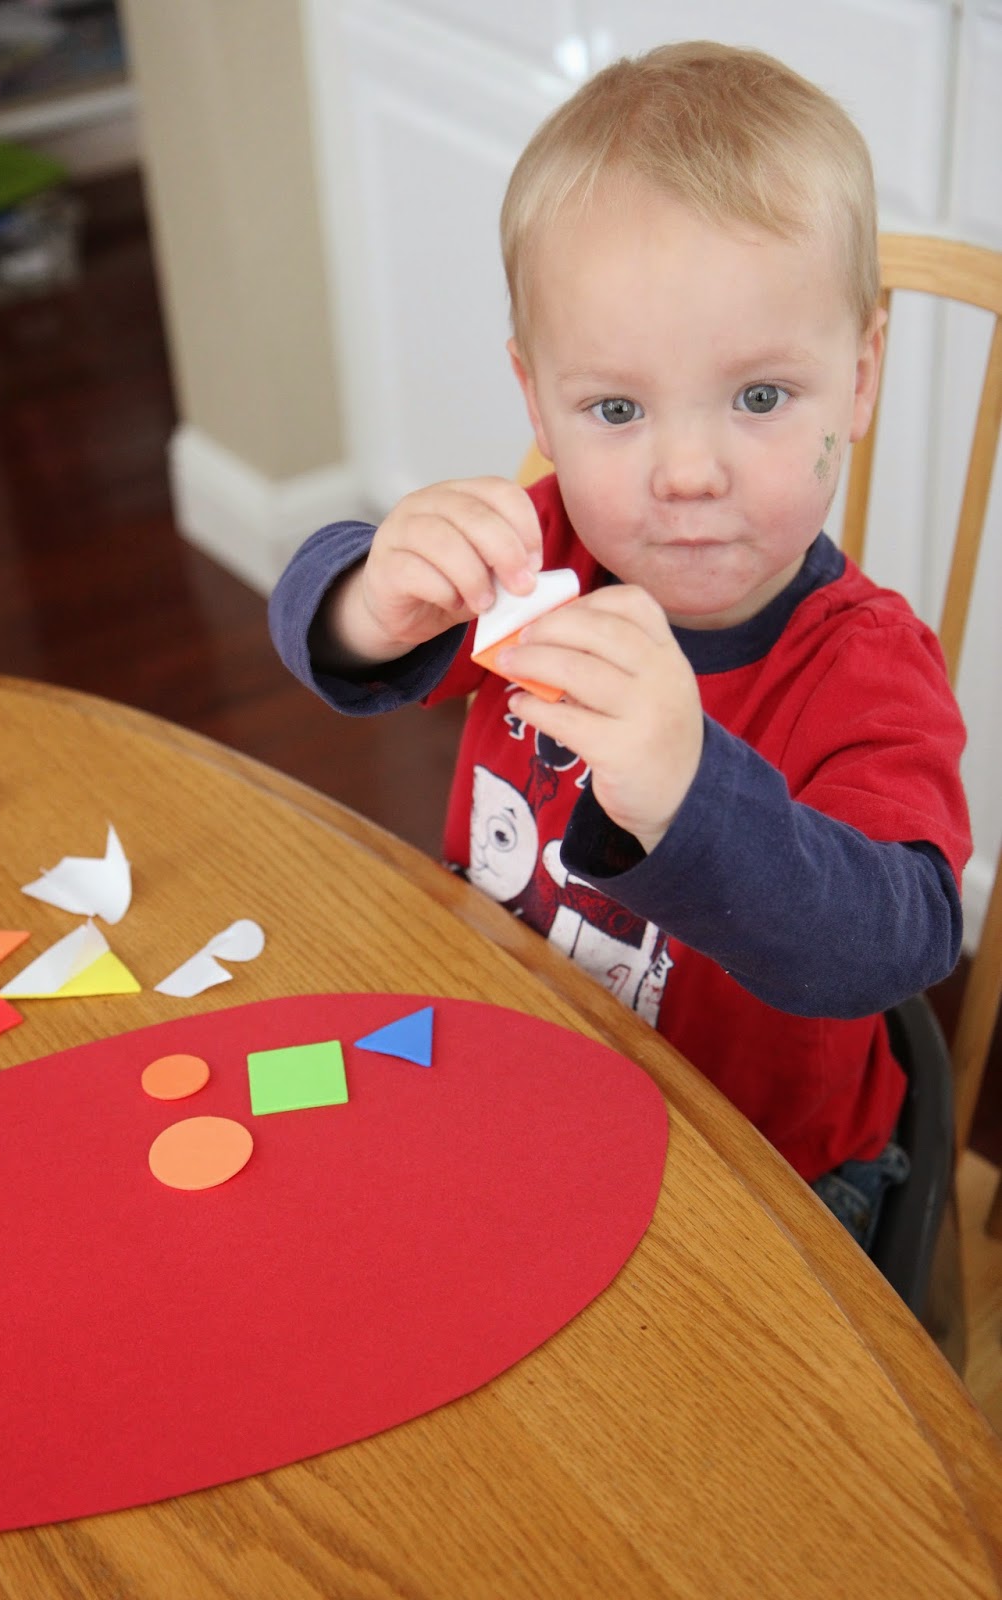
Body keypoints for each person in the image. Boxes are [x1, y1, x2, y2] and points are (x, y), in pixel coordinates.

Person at [269, 41, 971, 1250]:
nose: (686, 473)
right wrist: (359, 596)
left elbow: (893, 941)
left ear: (857, 377)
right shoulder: (539, 549)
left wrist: (692, 792)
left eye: (758, 398)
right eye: (615, 409)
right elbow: (319, 624)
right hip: (523, 1072)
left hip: (769, 1180)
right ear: (535, 400)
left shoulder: (863, 665)